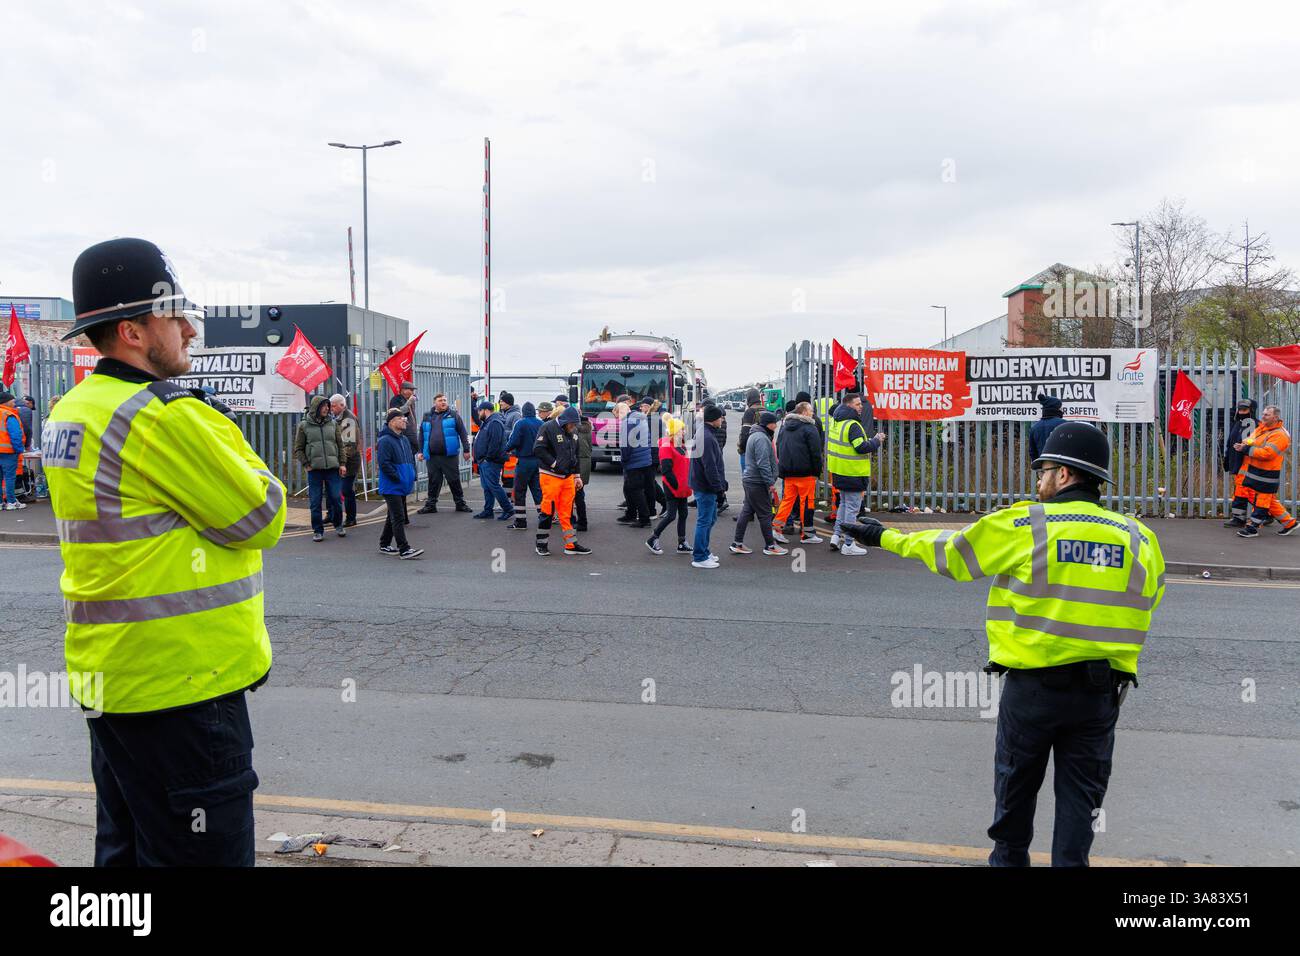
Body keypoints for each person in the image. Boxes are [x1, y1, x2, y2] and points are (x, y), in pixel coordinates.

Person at [45, 236, 287, 866]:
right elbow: (261, 514)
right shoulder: (163, 418)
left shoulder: (74, 410)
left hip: (116, 682)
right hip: (184, 690)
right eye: (173, 314)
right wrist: (217, 430)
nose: (188, 328)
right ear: (131, 331)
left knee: (125, 857)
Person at [842, 422, 1166, 867]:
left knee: (1015, 795)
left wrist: (885, 536)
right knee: (1081, 806)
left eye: (1044, 471)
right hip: (1099, 697)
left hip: (1034, 691)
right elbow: (1149, 598)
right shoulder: (1139, 537)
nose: (1038, 482)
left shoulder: (1026, 522)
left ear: (1065, 476)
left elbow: (952, 554)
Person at [827, 392, 884, 555]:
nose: (861, 407)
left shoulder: (836, 422)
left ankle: (836, 537)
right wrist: (876, 440)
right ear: (849, 405)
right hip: (853, 473)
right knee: (851, 509)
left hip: (839, 471)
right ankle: (849, 545)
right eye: (858, 404)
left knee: (843, 506)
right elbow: (861, 447)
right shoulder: (853, 425)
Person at [533, 405, 591, 555]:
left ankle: (571, 545)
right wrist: (553, 463)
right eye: (572, 425)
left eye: (574, 425)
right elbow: (538, 449)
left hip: (567, 478)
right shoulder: (547, 427)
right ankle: (541, 544)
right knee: (548, 512)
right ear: (565, 420)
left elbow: (575, 455)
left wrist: (577, 476)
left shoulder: (572, 431)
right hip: (550, 476)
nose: (573, 428)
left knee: (567, 513)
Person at [1232, 404, 1297, 537]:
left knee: (1262, 501)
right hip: (1256, 471)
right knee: (1269, 501)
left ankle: (1252, 528)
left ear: (1275, 417)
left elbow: (1268, 454)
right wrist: (1245, 443)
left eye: (1267, 414)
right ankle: (1289, 523)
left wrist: (1246, 449)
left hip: (1267, 474)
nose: (1263, 416)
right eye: (1263, 414)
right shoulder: (1263, 428)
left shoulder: (1280, 435)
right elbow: (1252, 439)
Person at [731, 410, 788, 556]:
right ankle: (770, 546)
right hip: (757, 482)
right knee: (765, 514)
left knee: (747, 511)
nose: (776, 426)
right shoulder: (761, 438)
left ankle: (737, 543)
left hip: (751, 480)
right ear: (769, 424)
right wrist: (770, 483)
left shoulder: (755, 435)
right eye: (775, 423)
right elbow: (763, 463)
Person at [294, 395, 346, 542]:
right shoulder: (304, 426)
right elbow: (298, 449)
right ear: (316, 407)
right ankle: (318, 530)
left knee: (336, 498)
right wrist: (306, 464)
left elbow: (340, 445)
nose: (326, 409)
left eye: (328, 406)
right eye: (323, 406)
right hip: (314, 470)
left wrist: (342, 463)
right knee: (315, 502)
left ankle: (338, 524)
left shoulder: (333, 424)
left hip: (332, 468)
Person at [773, 401, 824, 544]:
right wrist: (816, 471)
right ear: (803, 412)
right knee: (807, 503)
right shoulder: (810, 428)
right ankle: (807, 534)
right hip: (806, 473)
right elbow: (815, 452)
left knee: (787, 501)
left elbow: (779, 446)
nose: (812, 413)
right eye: (810, 410)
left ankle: (776, 528)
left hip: (788, 472)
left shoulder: (785, 426)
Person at [376, 408, 424, 559]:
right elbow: (384, 464)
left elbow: (410, 460)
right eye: (400, 418)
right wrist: (398, 477)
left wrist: (411, 476)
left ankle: (384, 544)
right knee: (398, 517)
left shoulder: (403, 439)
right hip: (392, 485)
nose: (405, 420)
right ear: (391, 422)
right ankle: (404, 549)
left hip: (401, 484)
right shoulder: (385, 441)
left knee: (393, 515)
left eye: (405, 418)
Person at [418, 392, 472, 514]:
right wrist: (420, 451)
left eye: (445, 400)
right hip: (432, 456)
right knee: (433, 481)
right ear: (434, 403)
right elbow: (422, 435)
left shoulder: (453, 415)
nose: (443, 402)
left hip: (449, 456)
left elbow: (463, 432)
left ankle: (460, 504)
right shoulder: (427, 416)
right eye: (440, 400)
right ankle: (431, 505)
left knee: (454, 480)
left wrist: (466, 450)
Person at [647, 416, 692, 555]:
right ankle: (653, 538)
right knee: (671, 515)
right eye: (681, 429)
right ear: (674, 431)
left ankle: (682, 542)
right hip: (672, 486)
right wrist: (677, 485)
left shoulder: (681, 445)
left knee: (683, 513)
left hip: (682, 486)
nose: (684, 432)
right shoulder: (667, 447)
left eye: (684, 429)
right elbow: (666, 470)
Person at [689, 404, 728, 568]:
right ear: (713, 419)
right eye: (720, 417)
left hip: (704, 485)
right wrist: (719, 488)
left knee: (709, 519)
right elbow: (710, 467)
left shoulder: (705, 433)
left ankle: (703, 551)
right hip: (705, 486)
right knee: (705, 520)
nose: (722, 420)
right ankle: (699, 557)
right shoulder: (707, 436)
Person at [472, 399, 514, 520]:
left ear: (485, 411)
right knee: (487, 486)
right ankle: (488, 510)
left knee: (493, 486)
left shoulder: (494, 422)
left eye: (479, 411)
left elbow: (495, 443)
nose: (478, 413)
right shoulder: (488, 422)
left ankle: (508, 509)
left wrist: (487, 458)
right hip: (485, 461)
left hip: (491, 461)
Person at [506, 401, 545, 530]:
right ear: (534, 411)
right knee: (537, 490)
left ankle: (521, 521)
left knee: (520, 491)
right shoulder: (541, 423)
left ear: (523, 412)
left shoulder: (520, 423)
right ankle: (543, 517)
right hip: (538, 462)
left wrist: (506, 449)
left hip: (524, 461)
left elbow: (514, 441)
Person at [618, 397, 654, 527]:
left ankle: (644, 519)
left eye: (617, 414)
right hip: (644, 459)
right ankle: (632, 514)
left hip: (634, 461)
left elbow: (626, 444)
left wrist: (624, 460)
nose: (618, 418)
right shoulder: (641, 418)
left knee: (635, 490)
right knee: (632, 488)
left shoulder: (628, 422)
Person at [329, 394, 361, 527]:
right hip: (342, 461)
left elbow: (350, 445)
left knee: (346, 490)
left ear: (341, 405)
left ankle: (351, 518)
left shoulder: (348, 419)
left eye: (333, 406)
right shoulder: (338, 418)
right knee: (336, 489)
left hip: (349, 462)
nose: (331, 409)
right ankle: (332, 516)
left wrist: (341, 463)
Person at [0, 393, 26, 509]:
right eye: (12, 401)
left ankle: (1, 503)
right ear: (6, 402)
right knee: (10, 477)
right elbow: (15, 434)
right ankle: (11, 502)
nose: (14, 403)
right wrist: (19, 449)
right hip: (8, 451)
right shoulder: (9, 415)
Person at [1027, 393, 1068, 463]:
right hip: (1061, 467)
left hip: (1043, 468)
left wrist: (1040, 468)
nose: (1062, 410)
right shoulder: (1064, 424)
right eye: (1060, 408)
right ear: (1056, 409)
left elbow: (1032, 452)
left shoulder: (1034, 428)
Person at [574, 412, 593, 531]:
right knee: (579, 494)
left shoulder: (576, 430)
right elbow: (590, 447)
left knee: (577, 496)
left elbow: (575, 449)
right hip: (586, 462)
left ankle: (582, 522)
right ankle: (582, 521)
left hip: (579, 462)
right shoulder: (588, 429)